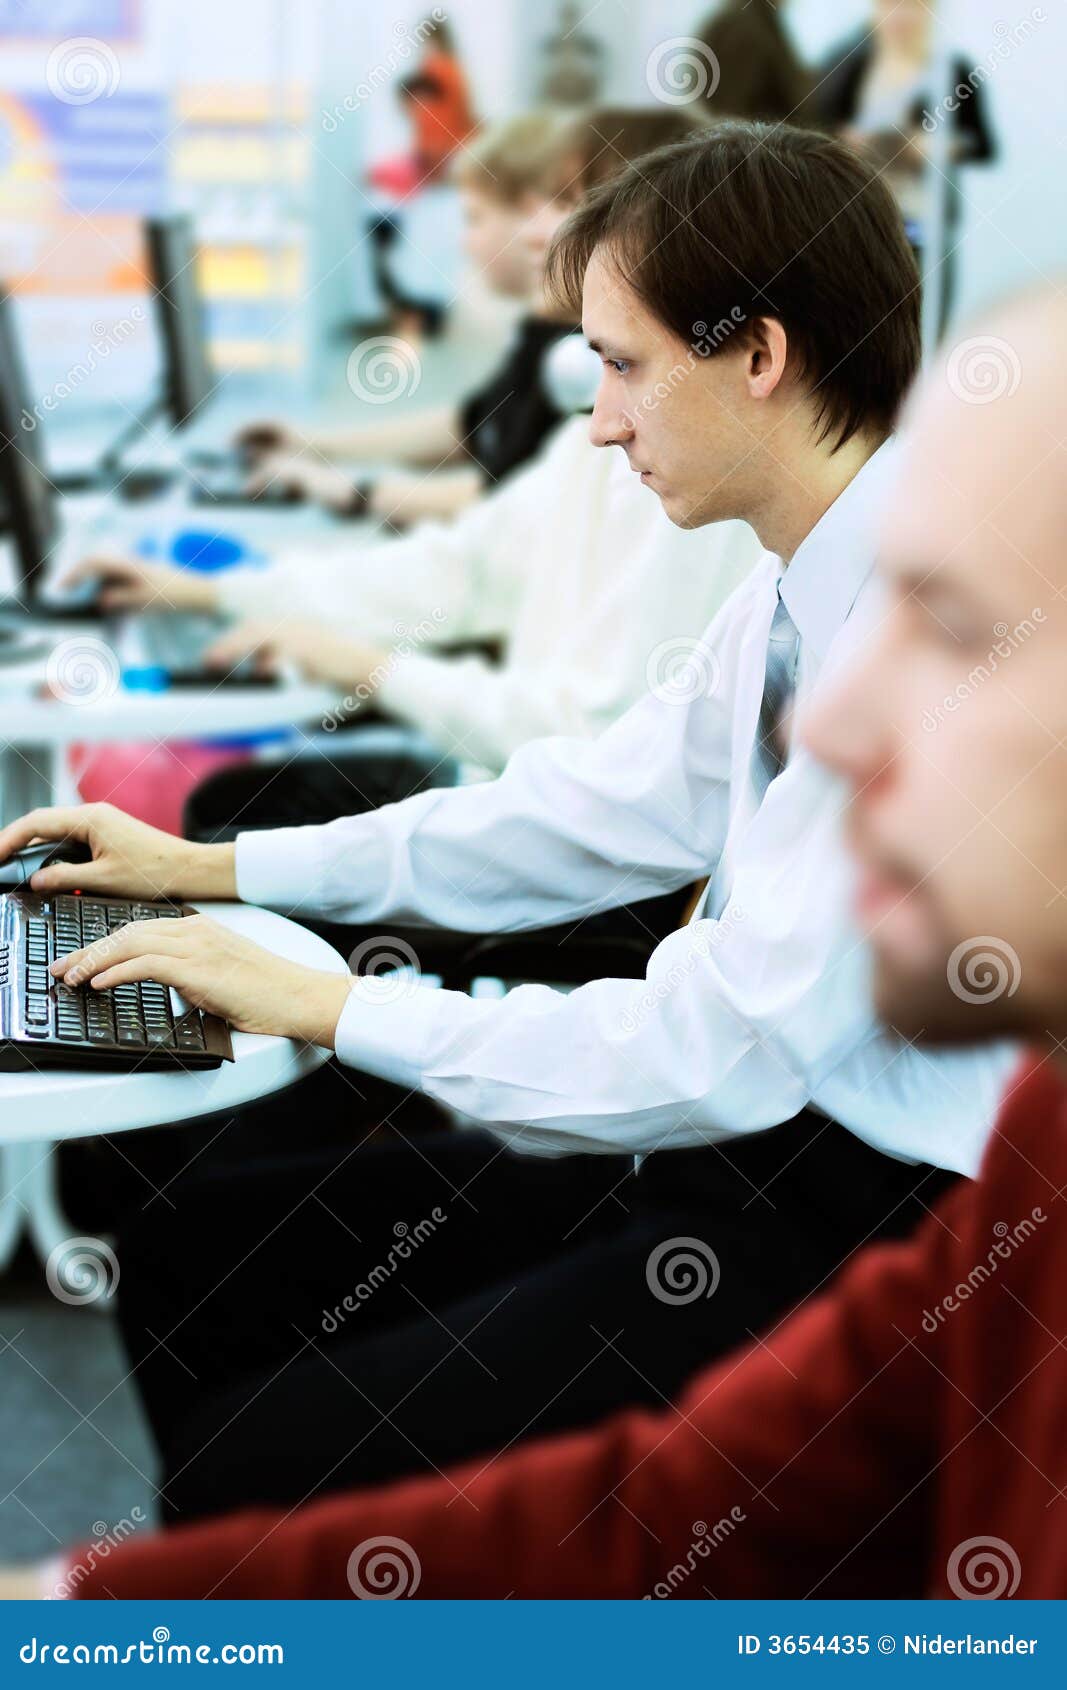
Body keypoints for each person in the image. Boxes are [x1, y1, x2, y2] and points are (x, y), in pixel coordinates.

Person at [0, 122, 1010, 1525]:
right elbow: (586, 810)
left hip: (846, 1224)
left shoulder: (907, 626)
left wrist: (331, 1001)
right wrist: (216, 864)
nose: (596, 419)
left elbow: (709, 1046)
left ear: (757, 355)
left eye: (621, 364)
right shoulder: (787, 585)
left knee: (263, 1460)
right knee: (196, 1255)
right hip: (727, 1162)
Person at [236, 106, 711, 527]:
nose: (537, 233)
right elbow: (476, 426)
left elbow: (506, 506)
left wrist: (350, 490)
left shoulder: (584, 369)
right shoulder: (557, 340)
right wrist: (315, 445)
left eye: (563, 204)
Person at [817, 0, 995, 328]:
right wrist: (843, 142)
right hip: (861, 224)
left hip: (925, 228)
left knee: (921, 327)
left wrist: (939, 146)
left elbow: (983, 145)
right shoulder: (848, 64)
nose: (899, 16)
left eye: (911, 7)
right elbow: (811, 130)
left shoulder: (952, 72)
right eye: (889, 6)